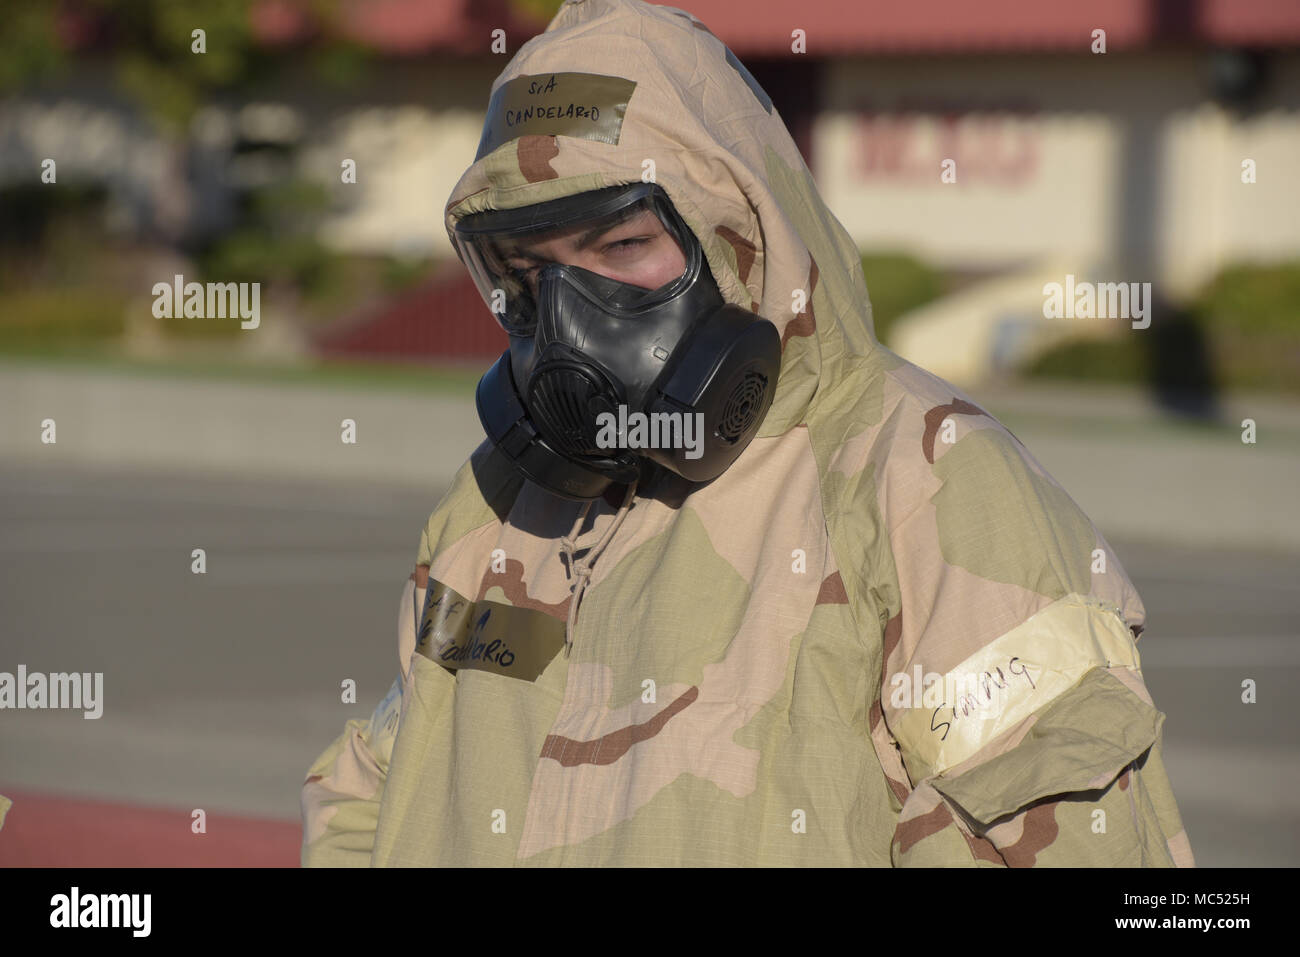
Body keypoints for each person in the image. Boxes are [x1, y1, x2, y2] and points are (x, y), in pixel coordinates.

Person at [301, 0, 1194, 867]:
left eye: (620, 249)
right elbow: (378, 795)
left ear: (743, 233)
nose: (570, 324)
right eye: (532, 271)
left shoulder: (924, 482)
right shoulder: (489, 511)